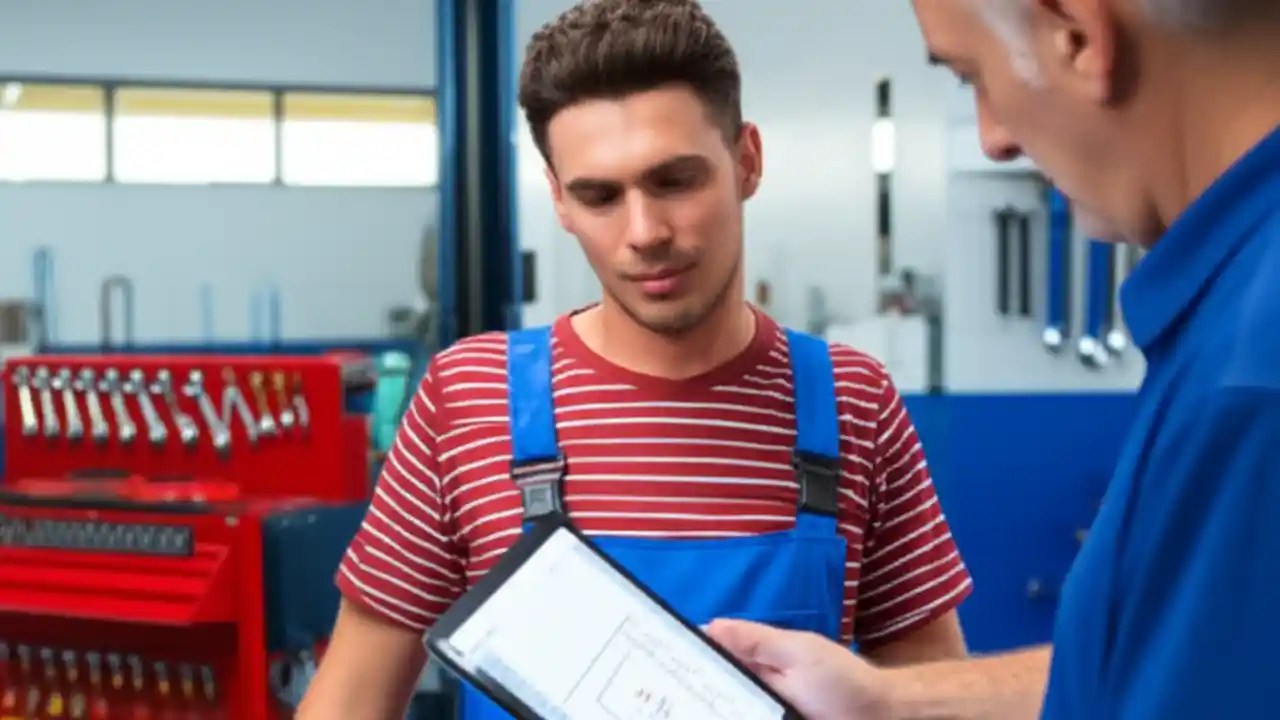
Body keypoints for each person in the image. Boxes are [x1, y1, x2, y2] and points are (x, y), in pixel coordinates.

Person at [296, 1, 975, 718]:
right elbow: (349, 703)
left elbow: (938, 700)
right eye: (600, 196)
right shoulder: (471, 397)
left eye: (675, 181)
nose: (644, 232)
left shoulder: (851, 402)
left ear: (747, 161)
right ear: (558, 199)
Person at [706, 0, 1280, 718]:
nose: (992, 139)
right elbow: (1161, 666)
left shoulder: (1250, 385)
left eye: (973, 74)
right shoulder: (1232, 321)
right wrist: (888, 699)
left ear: (1076, 36)